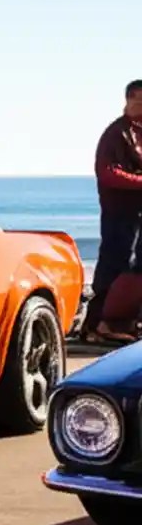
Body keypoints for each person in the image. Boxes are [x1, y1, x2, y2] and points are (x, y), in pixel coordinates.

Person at [84, 80, 142, 341]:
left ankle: (124, 322)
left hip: (137, 213)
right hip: (120, 213)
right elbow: (107, 173)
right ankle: (97, 324)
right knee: (115, 264)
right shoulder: (116, 133)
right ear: (130, 99)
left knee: (136, 268)